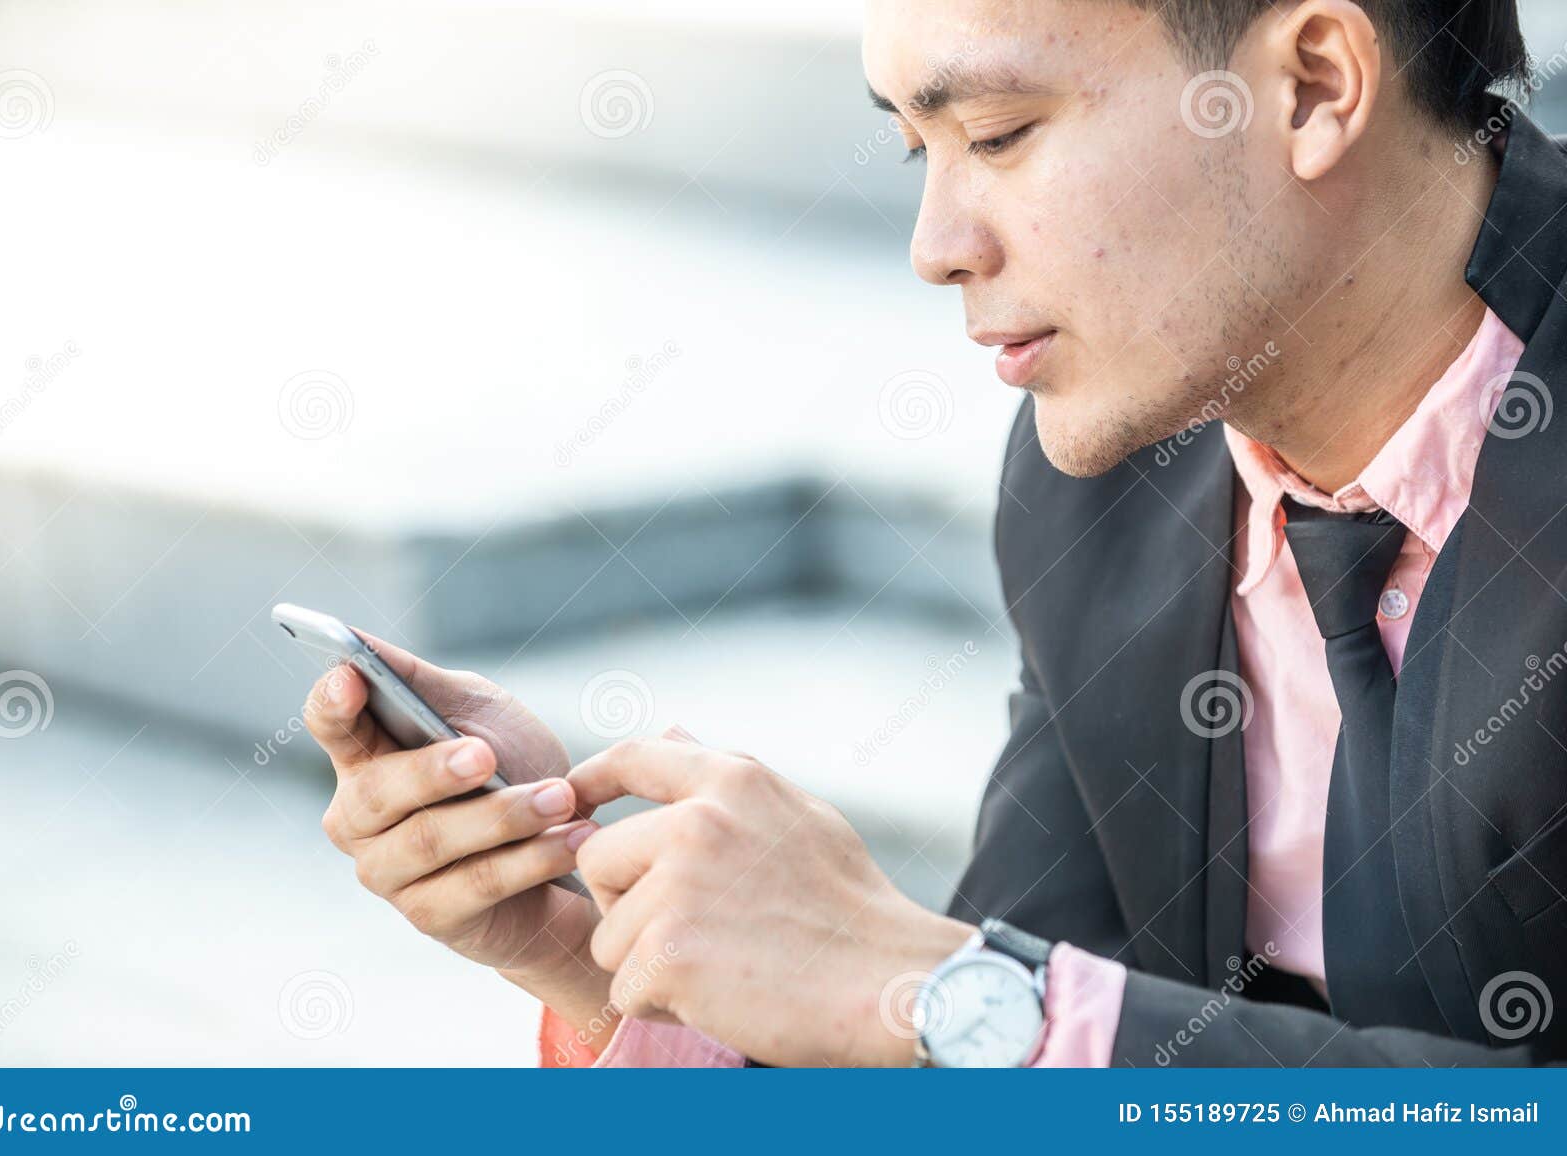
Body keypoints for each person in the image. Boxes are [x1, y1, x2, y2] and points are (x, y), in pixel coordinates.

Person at [303, 0, 1567, 1066]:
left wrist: (945, 989)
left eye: (999, 134)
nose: (934, 248)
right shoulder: (1110, 484)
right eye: (920, 150)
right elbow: (1009, 1054)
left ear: (1310, 87)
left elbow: (1016, 1020)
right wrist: (616, 959)